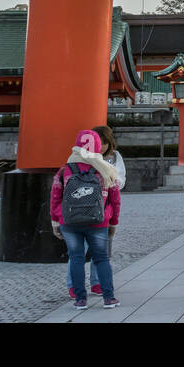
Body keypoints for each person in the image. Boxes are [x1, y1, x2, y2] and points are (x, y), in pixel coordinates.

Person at [50, 129, 121, 309]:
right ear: (98, 147)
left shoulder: (65, 170)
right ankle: (108, 298)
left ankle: (80, 300)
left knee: (76, 258)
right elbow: (115, 199)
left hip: (70, 222)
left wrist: (56, 220)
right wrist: (113, 222)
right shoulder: (105, 169)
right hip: (99, 221)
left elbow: (55, 197)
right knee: (101, 259)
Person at [66, 125, 127, 300]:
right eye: (98, 142)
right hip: (79, 210)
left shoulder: (113, 158)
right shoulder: (77, 160)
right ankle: (73, 285)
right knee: (77, 252)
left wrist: (109, 178)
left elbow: (120, 181)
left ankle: (97, 282)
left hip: (102, 211)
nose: (100, 147)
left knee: (100, 252)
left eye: (104, 143)